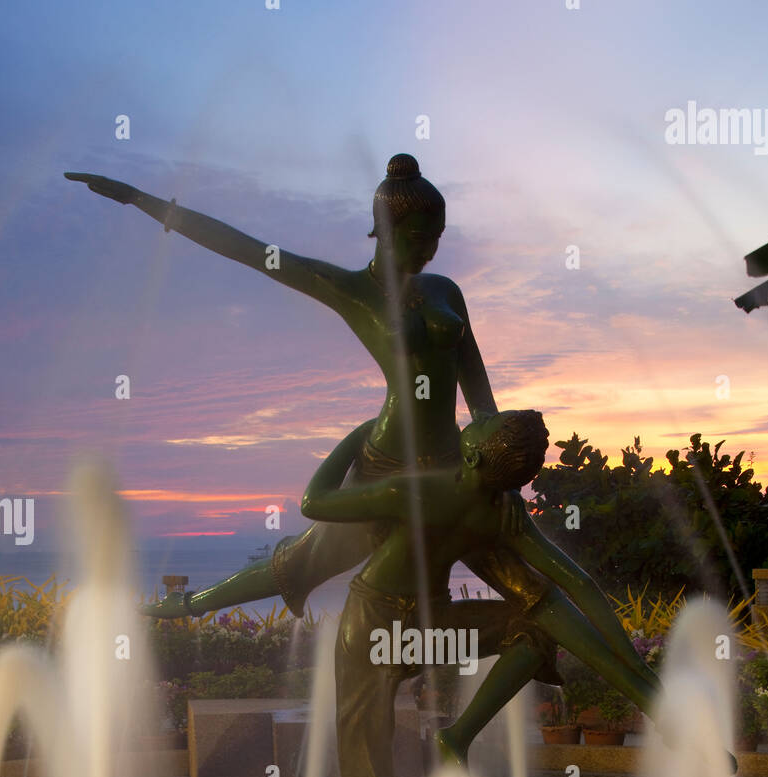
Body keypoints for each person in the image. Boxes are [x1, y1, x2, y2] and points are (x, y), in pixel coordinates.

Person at [65, 153, 543, 621]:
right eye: (419, 239)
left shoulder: (445, 290)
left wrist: (504, 475)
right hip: (385, 467)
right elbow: (244, 248)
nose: (429, 252)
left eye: (436, 239)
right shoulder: (351, 290)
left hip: (455, 466)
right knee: (300, 563)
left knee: (534, 593)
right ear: (386, 230)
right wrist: (139, 199)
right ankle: (189, 605)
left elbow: (478, 390)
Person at [300, 409, 663, 777]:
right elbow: (583, 587)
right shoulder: (503, 516)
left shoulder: (413, 489)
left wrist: (357, 434)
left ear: (469, 455)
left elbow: (314, 503)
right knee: (531, 631)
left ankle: (456, 738)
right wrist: (643, 674)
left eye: (468, 432)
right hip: (400, 630)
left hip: (389, 627)